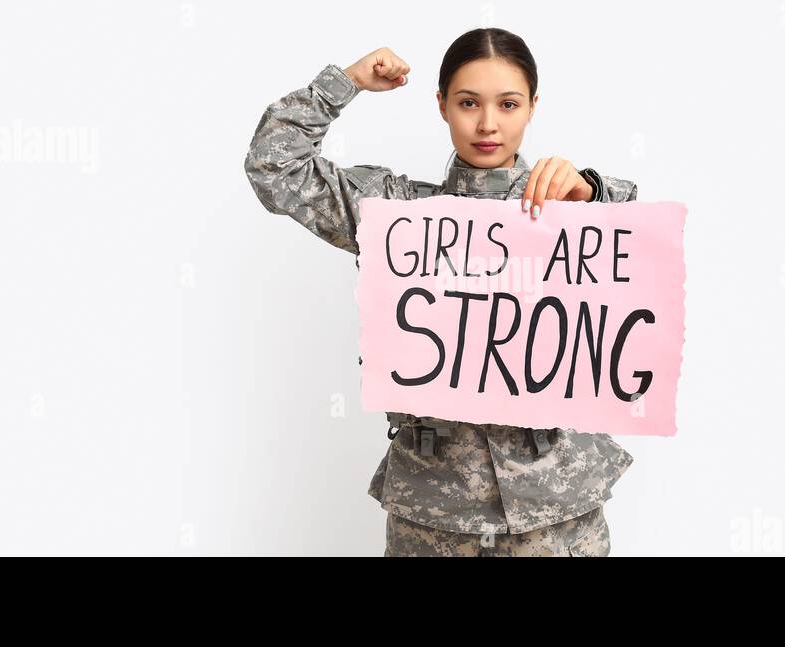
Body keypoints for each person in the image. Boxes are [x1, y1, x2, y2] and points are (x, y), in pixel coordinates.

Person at [244, 28, 638, 556]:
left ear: (533, 107)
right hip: (434, 510)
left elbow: (641, 258)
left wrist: (591, 193)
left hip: (557, 505)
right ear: (442, 105)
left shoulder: (574, 209)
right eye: (468, 103)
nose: (488, 123)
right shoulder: (396, 215)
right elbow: (275, 163)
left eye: (508, 104)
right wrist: (347, 82)